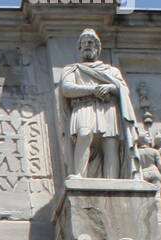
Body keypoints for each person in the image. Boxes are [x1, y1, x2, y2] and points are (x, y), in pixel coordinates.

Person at [58, 28, 139, 179]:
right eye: (84, 43)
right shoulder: (72, 69)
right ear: (79, 48)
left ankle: (113, 182)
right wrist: (93, 90)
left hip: (108, 108)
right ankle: (79, 175)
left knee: (110, 144)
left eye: (91, 42)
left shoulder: (111, 71)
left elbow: (123, 89)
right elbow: (67, 89)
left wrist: (110, 87)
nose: (87, 45)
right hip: (83, 106)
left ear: (97, 47)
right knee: (84, 134)